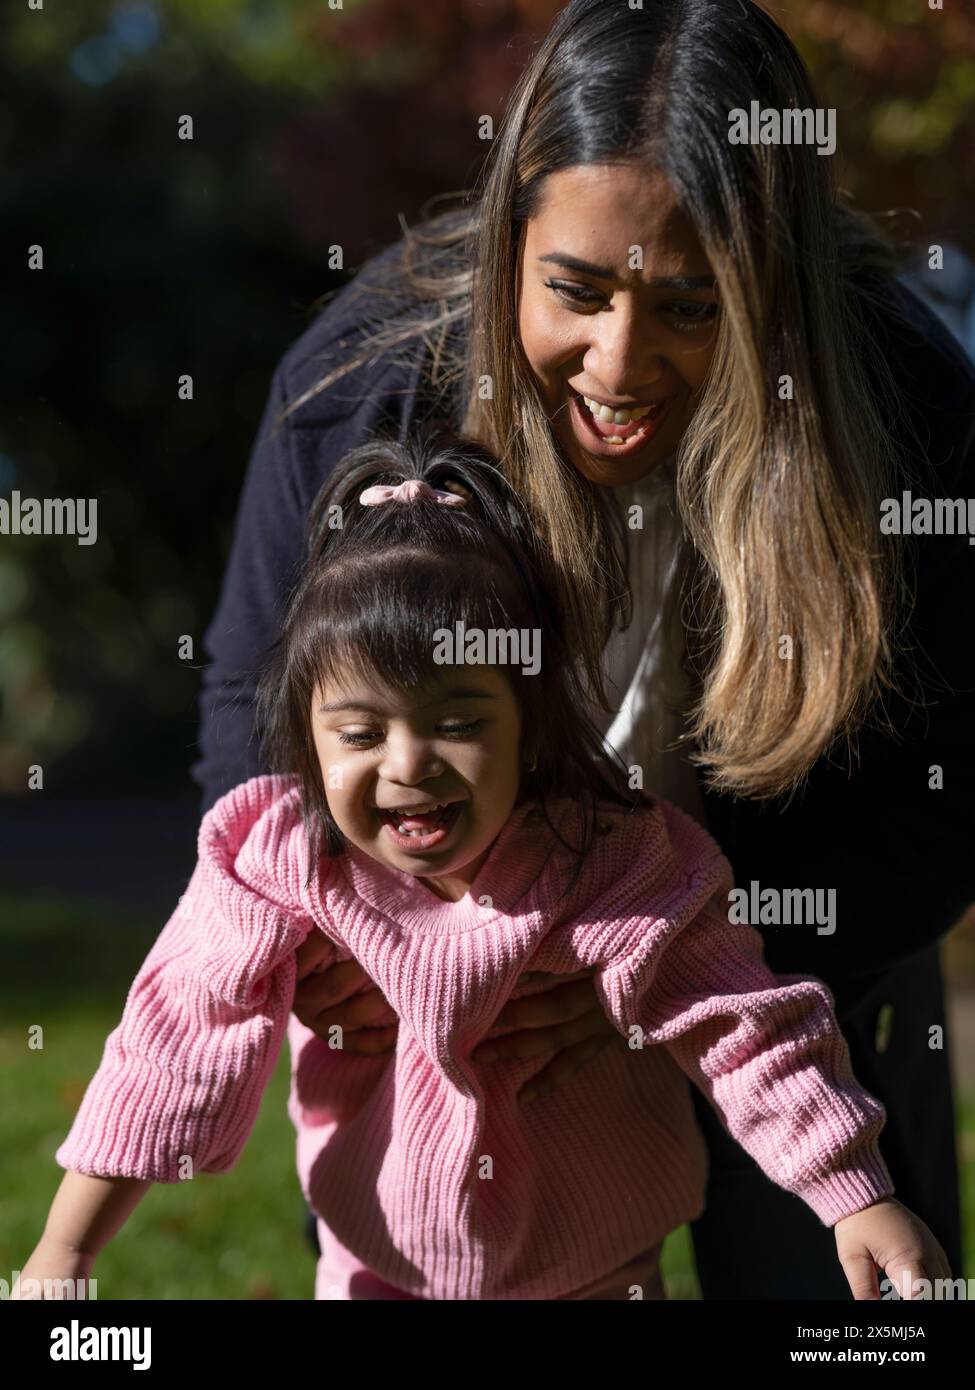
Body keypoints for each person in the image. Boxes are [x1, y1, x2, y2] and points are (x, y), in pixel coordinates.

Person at [193, 0, 975, 1297]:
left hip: (782, 968)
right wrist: (368, 951)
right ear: (509, 239)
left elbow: (944, 781)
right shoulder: (359, 390)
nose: (619, 362)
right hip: (449, 1001)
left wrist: (665, 975)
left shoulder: (899, 399)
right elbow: (252, 715)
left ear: (773, 285)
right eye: (575, 289)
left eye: (689, 303)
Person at [17, 436, 951, 1301]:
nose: (408, 764)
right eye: (359, 731)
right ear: (306, 735)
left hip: (596, 1269)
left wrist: (854, 1193)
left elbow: (742, 1028)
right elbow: (172, 1049)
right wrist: (67, 1249)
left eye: (459, 723)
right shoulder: (277, 862)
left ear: (531, 725)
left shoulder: (614, 860)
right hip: (376, 1266)